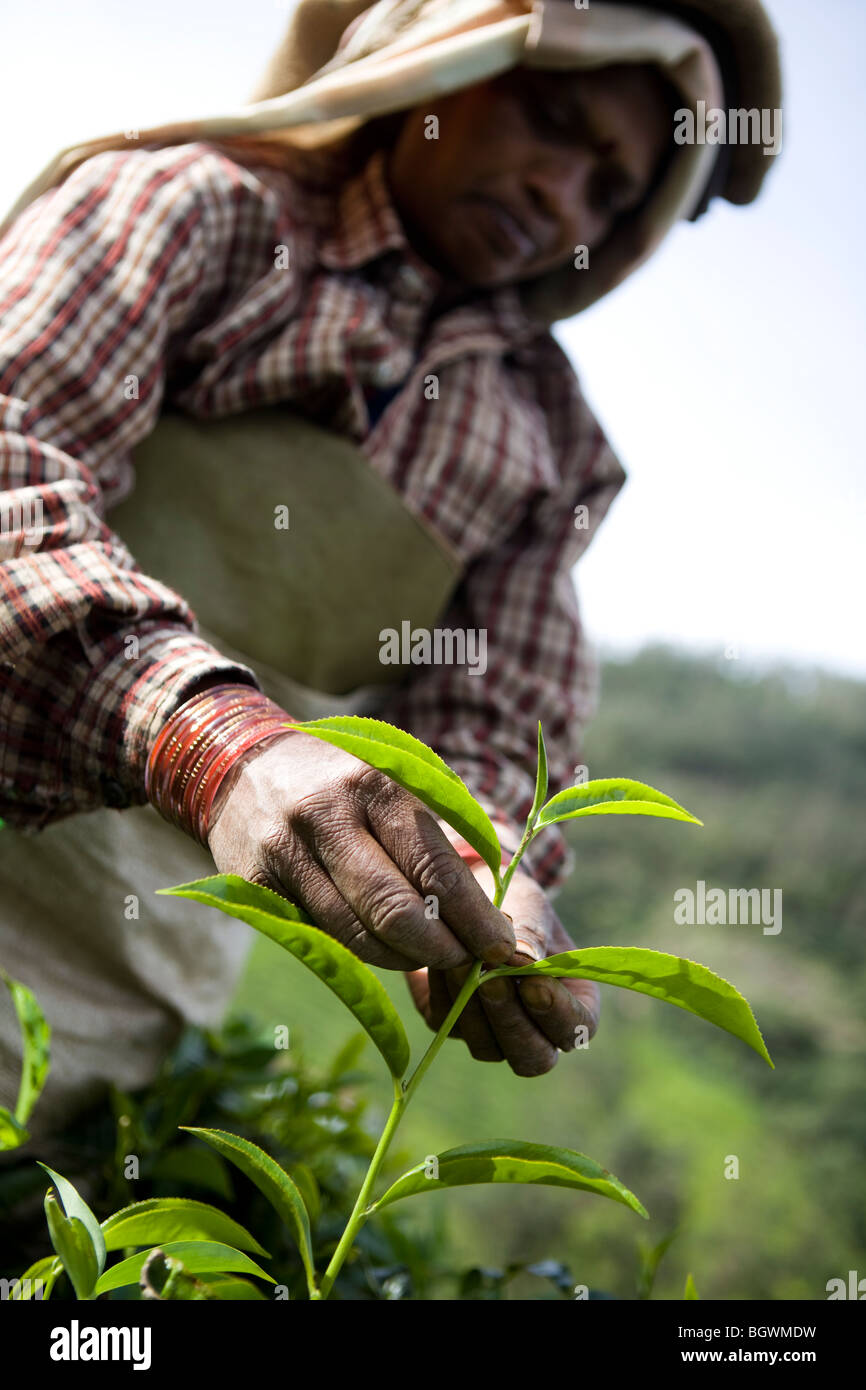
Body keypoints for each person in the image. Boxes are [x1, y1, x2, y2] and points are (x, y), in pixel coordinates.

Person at [0, 0, 782, 1137]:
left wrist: (479, 864)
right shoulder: (205, 210)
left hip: (121, 1013)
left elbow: (497, 711)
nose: (561, 195)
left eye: (608, 192)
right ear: (437, 65)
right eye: (550, 121)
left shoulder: (545, 445)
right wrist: (217, 751)